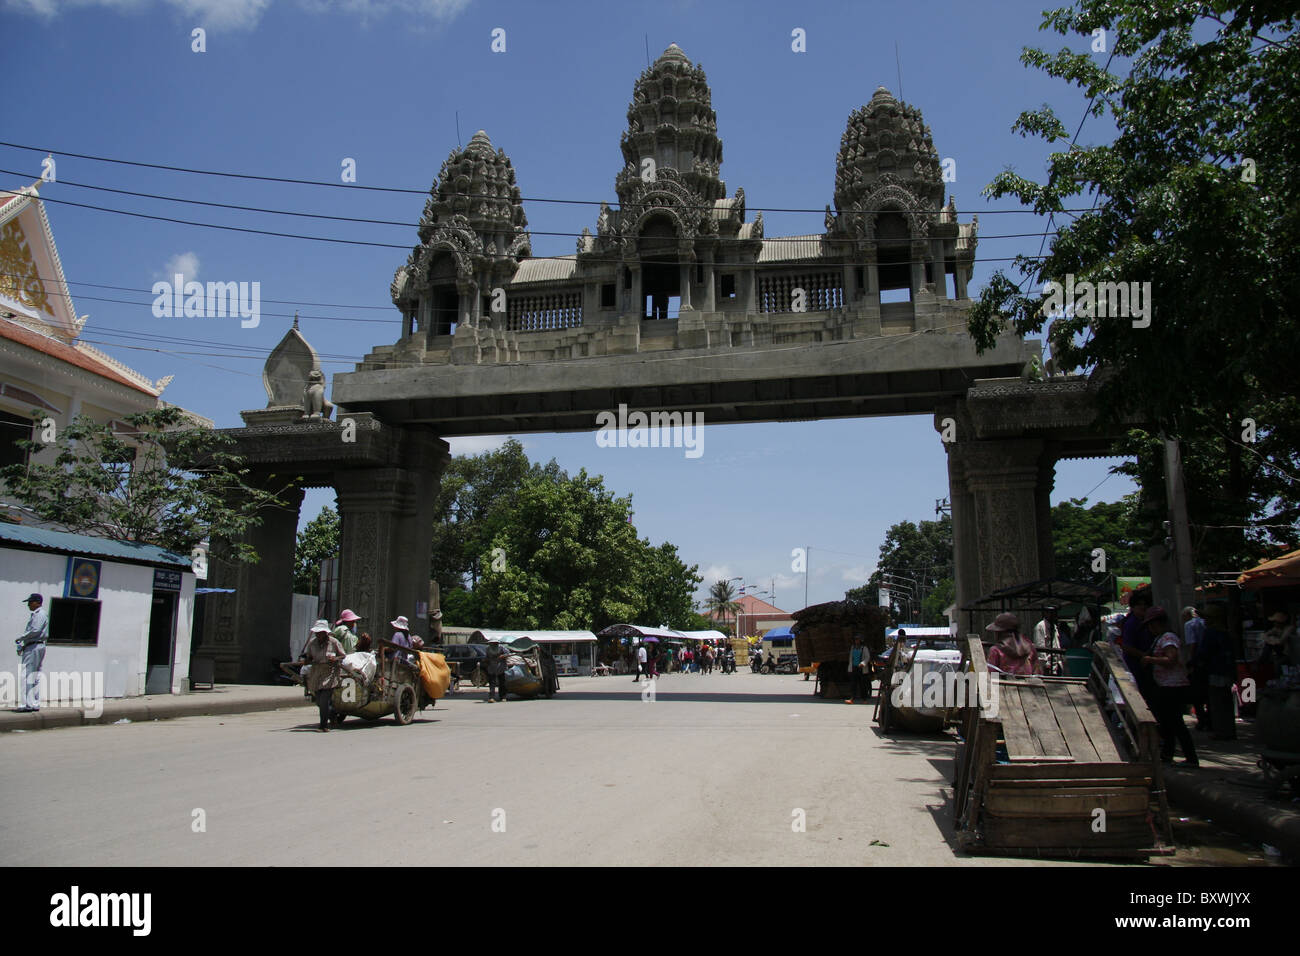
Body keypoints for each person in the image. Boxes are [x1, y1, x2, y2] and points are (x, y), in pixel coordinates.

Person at [1141, 606, 1198, 766]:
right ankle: (1167, 754)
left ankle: (1191, 758)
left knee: (1176, 724)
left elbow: (1171, 659)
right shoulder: (1160, 638)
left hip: (1173, 687)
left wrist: (1150, 660)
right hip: (1164, 686)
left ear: (1157, 623)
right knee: (1167, 724)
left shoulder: (1168, 638)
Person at [299, 620, 345, 732]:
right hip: (316, 673)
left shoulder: (334, 642)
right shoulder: (312, 643)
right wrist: (306, 661)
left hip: (330, 673)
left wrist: (335, 659)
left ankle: (323, 725)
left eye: (320, 632)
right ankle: (332, 713)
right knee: (319, 701)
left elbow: (343, 656)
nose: (318, 635)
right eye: (317, 632)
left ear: (325, 632)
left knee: (324, 700)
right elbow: (309, 657)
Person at [1199, 604, 1237, 740]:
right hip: (1227, 671)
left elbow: (1204, 653)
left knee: (1217, 703)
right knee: (1226, 703)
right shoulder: (1225, 633)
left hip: (1214, 671)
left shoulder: (1210, 632)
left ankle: (1221, 731)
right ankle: (1229, 730)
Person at [1117, 589, 1156, 703]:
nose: (1143, 607)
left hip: (1148, 665)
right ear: (1133, 607)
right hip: (1136, 666)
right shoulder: (1131, 623)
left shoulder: (1144, 621)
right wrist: (1144, 656)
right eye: (1139, 605)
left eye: (1145, 605)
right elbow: (1126, 646)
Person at [15, 593, 48, 713]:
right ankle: (34, 703)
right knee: (34, 676)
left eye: (30, 602)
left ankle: (27, 704)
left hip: (34, 646)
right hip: (36, 645)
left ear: (37, 602)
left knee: (27, 675)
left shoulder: (39, 614)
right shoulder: (39, 614)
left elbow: (35, 630)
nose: (28, 604)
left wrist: (21, 637)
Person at [1181, 606, 1209, 730]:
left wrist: (1191, 661)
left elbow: (1192, 644)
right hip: (1208, 660)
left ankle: (1202, 720)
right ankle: (1210, 720)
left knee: (1197, 694)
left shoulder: (1188, 625)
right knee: (1207, 693)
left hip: (1197, 661)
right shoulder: (1204, 622)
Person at [1034, 606, 1062, 674]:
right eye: (1050, 613)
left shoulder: (1054, 626)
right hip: (1047, 665)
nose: (1053, 615)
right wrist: (1045, 665)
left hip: (1056, 663)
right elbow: (1040, 646)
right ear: (1045, 613)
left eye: (1054, 613)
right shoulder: (1040, 626)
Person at [846, 634, 870, 704]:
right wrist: (850, 667)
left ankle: (864, 699)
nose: (856, 641)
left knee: (863, 684)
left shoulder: (864, 648)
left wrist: (863, 663)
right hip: (854, 667)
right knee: (853, 684)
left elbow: (867, 657)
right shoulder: (853, 647)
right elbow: (851, 658)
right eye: (855, 640)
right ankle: (852, 698)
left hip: (861, 669)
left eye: (858, 640)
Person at [484, 636, 507, 702]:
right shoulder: (488, 649)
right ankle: (491, 697)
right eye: (492, 643)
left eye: (495, 643)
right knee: (492, 683)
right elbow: (487, 657)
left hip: (500, 667)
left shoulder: (501, 648)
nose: (494, 644)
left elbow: (508, 653)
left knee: (502, 683)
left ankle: (503, 697)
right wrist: (486, 660)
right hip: (492, 667)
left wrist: (503, 656)